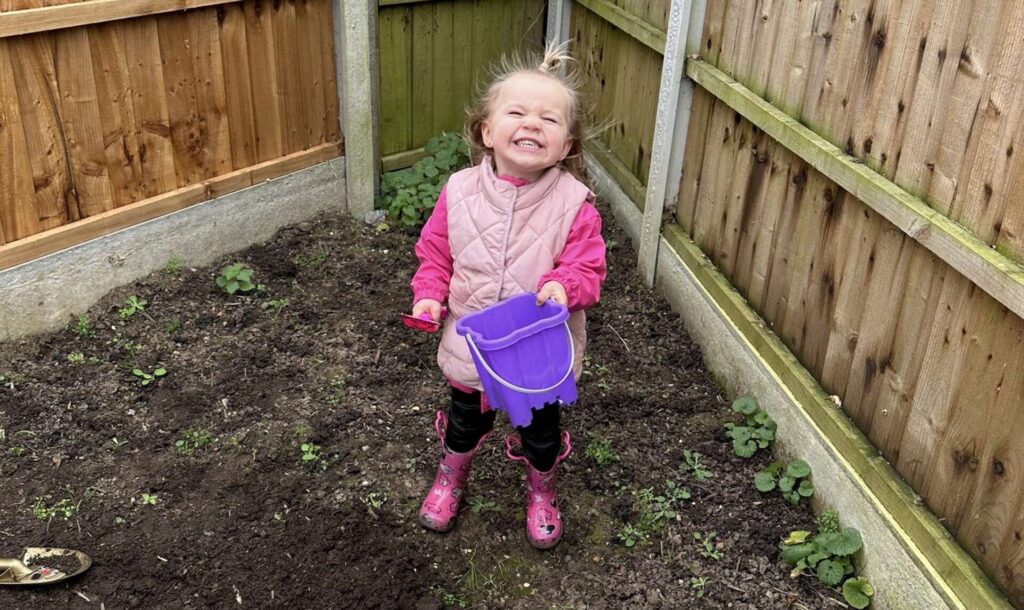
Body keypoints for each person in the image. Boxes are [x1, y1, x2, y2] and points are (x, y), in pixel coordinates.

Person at [409, 43, 607, 550]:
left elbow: (589, 269)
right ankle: (452, 475)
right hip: (471, 343)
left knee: (540, 429)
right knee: (465, 419)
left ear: (566, 145)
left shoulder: (574, 205)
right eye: (516, 112)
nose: (532, 124)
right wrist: (429, 296)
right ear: (486, 131)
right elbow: (435, 254)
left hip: (537, 354)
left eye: (549, 119)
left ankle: (542, 489)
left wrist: (566, 286)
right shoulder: (458, 192)